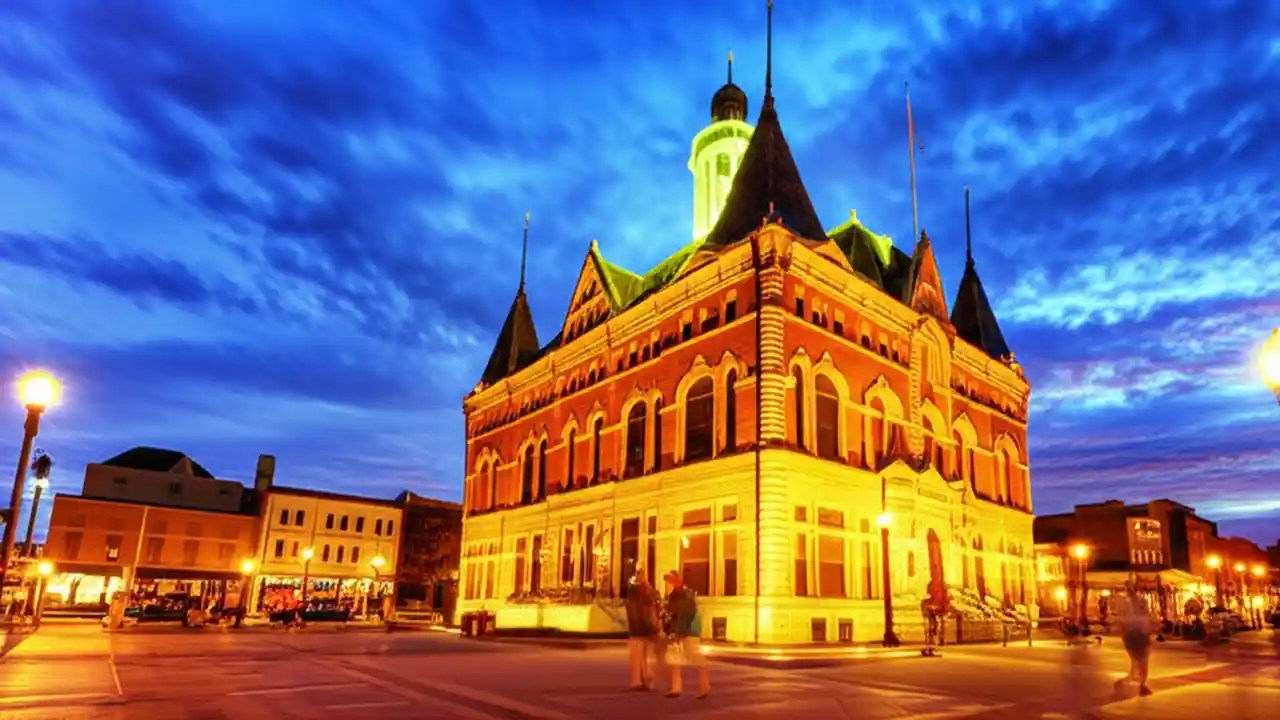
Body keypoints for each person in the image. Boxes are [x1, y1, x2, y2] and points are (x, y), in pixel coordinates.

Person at [663, 570, 709, 699]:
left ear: (678, 580)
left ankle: (704, 685)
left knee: (695, 658)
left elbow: (687, 613)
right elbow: (672, 614)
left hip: (687, 632)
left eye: (670, 580)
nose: (668, 583)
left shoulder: (684, 594)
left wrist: (678, 630)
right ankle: (676, 687)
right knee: (674, 659)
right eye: (668, 581)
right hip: (678, 631)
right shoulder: (673, 595)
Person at [623, 568, 660, 690]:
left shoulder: (634, 592)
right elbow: (653, 609)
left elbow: (632, 610)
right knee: (645, 656)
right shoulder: (649, 592)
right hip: (647, 628)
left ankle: (637, 681)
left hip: (637, 628)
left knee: (636, 656)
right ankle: (647, 679)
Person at [1115, 593, 1156, 696]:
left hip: (1133, 637)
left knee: (1137, 662)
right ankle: (1139, 684)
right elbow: (1148, 625)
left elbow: (1122, 625)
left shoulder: (1127, 609)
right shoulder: (1138, 613)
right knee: (1142, 662)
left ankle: (1134, 682)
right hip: (1138, 636)